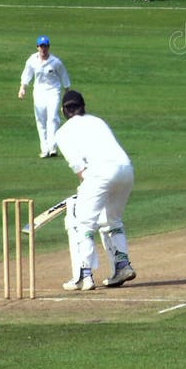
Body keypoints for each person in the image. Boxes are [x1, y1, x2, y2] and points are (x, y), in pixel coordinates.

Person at [54, 90, 137, 291]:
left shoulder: (63, 132)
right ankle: (122, 266)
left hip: (100, 173)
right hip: (126, 170)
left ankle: (84, 276)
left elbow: (80, 171)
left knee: (83, 223)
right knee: (112, 220)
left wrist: (86, 189)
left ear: (64, 110)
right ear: (83, 106)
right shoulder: (98, 121)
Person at [18, 35, 71, 158]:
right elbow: (27, 74)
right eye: (41, 46)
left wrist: (67, 94)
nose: (43, 49)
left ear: (49, 47)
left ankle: (52, 147)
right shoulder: (32, 60)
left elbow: (64, 77)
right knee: (40, 119)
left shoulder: (56, 62)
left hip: (53, 91)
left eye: (45, 46)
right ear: (37, 47)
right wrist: (22, 88)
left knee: (52, 117)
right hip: (39, 92)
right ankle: (44, 148)